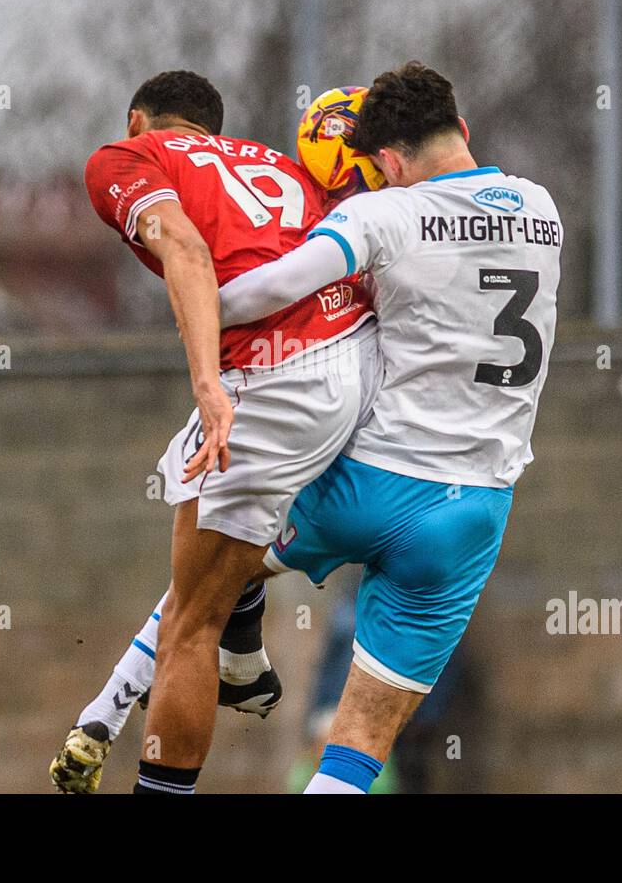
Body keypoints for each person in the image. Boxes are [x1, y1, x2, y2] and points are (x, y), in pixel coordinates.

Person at [210, 60, 563, 792]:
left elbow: (275, 286)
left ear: (389, 161)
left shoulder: (383, 213)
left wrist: (196, 303)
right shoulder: (542, 210)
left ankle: (122, 704)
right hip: (471, 511)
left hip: (371, 480)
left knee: (208, 576)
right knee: (359, 745)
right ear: (461, 129)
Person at [50, 70, 378, 794]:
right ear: (217, 132)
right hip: (363, 359)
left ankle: (225, 651)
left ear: (139, 121)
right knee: (217, 569)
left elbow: (189, 256)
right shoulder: (277, 163)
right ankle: (239, 642)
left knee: (188, 627)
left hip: (277, 376)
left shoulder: (128, 158)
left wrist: (208, 385)